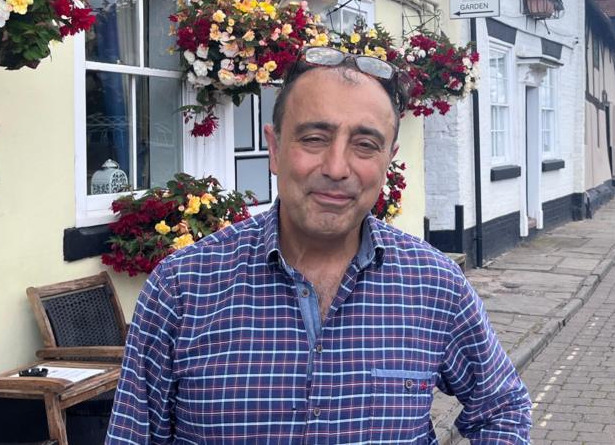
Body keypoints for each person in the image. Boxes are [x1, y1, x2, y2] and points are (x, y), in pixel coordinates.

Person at [106, 46, 532, 444]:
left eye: (365, 145)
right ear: (274, 148)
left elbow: (504, 409)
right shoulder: (182, 287)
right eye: (314, 138)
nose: (336, 167)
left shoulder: (436, 285)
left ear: (388, 161)